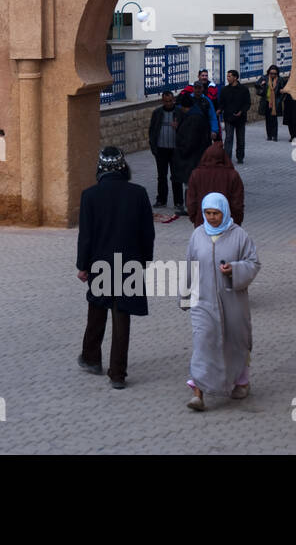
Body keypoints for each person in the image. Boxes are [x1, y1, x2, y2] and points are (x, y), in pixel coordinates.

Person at [75, 146, 155, 390]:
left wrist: (82, 266)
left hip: (100, 263)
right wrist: (144, 261)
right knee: (122, 317)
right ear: (123, 167)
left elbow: (85, 235)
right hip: (129, 263)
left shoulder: (90, 196)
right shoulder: (139, 193)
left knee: (97, 310)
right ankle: (118, 374)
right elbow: (147, 234)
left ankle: (91, 358)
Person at [183, 192, 260, 411]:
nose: (211, 217)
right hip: (203, 302)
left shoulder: (240, 236)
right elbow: (190, 264)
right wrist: (185, 295)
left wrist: (233, 270)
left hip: (233, 302)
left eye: (216, 213)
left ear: (224, 212)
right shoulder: (198, 235)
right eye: (207, 213)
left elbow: (253, 264)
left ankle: (241, 382)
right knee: (203, 342)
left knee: (236, 342)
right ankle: (198, 392)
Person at [185, 143, 245, 229]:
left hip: (202, 222)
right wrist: (237, 222)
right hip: (227, 224)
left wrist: (195, 218)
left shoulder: (196, 174)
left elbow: (191, 202)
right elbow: (237, 203)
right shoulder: (232, 175)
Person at [171, 93, 210, 217]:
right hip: (194, 155)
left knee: (190, 183)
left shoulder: (193, 118)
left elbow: (190, 139)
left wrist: (182, 151)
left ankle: (191, 208)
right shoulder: (194, 115)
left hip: (192, 157)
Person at [147, 90, 180, 209]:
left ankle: (178, 201)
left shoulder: (179, 112)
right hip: (161, 149)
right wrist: (153, 147)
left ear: (174, 100)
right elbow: (152, 130)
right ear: (162, 101)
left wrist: (178, 127)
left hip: (175, 149)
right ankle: (161, 200)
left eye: (170, 101)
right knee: (161, 176)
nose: (168, 103)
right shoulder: (157, 113)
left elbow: (185, 129)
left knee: (176, 176)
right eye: (166, 101)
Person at [218, 69, 251, 163]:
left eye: (229, 76)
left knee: (240, 139)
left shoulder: (244, 89)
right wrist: (219, 110)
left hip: (240, 118)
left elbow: (247, 103)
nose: (227, 78)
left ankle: (240, 157)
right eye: (227, 76)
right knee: (228, 138)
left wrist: (241, 111)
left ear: (235, 77)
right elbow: (222, 103)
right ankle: (227, 158)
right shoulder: (225, 90)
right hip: (229, 118)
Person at [255, 65, 288, 141]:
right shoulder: (264, 78)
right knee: (267, 119)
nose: (273, 75)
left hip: (275, 102)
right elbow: (256, 85)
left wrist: (280, 99)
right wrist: (261, 84)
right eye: (271, 73)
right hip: (266, 101)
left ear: (277, 73)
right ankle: (269, 135)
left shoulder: (280, 80)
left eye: (274, 73)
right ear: (268, 72)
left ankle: (275, 135)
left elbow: (283, 90)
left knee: (274, 120)